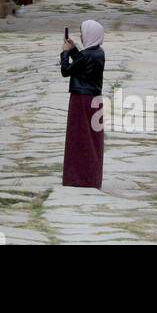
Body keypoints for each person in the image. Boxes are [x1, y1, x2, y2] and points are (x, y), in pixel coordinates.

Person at [60, 19, 105, 188]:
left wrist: (65, 52)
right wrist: (73, 51)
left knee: (78, 138)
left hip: (81, 100)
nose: (81, 35)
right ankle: (91, 176)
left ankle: (78, 177)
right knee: (92, 140)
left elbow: (66, 71)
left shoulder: (87, 55)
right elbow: (83, 64)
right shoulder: (99, 52)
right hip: (94, 100)